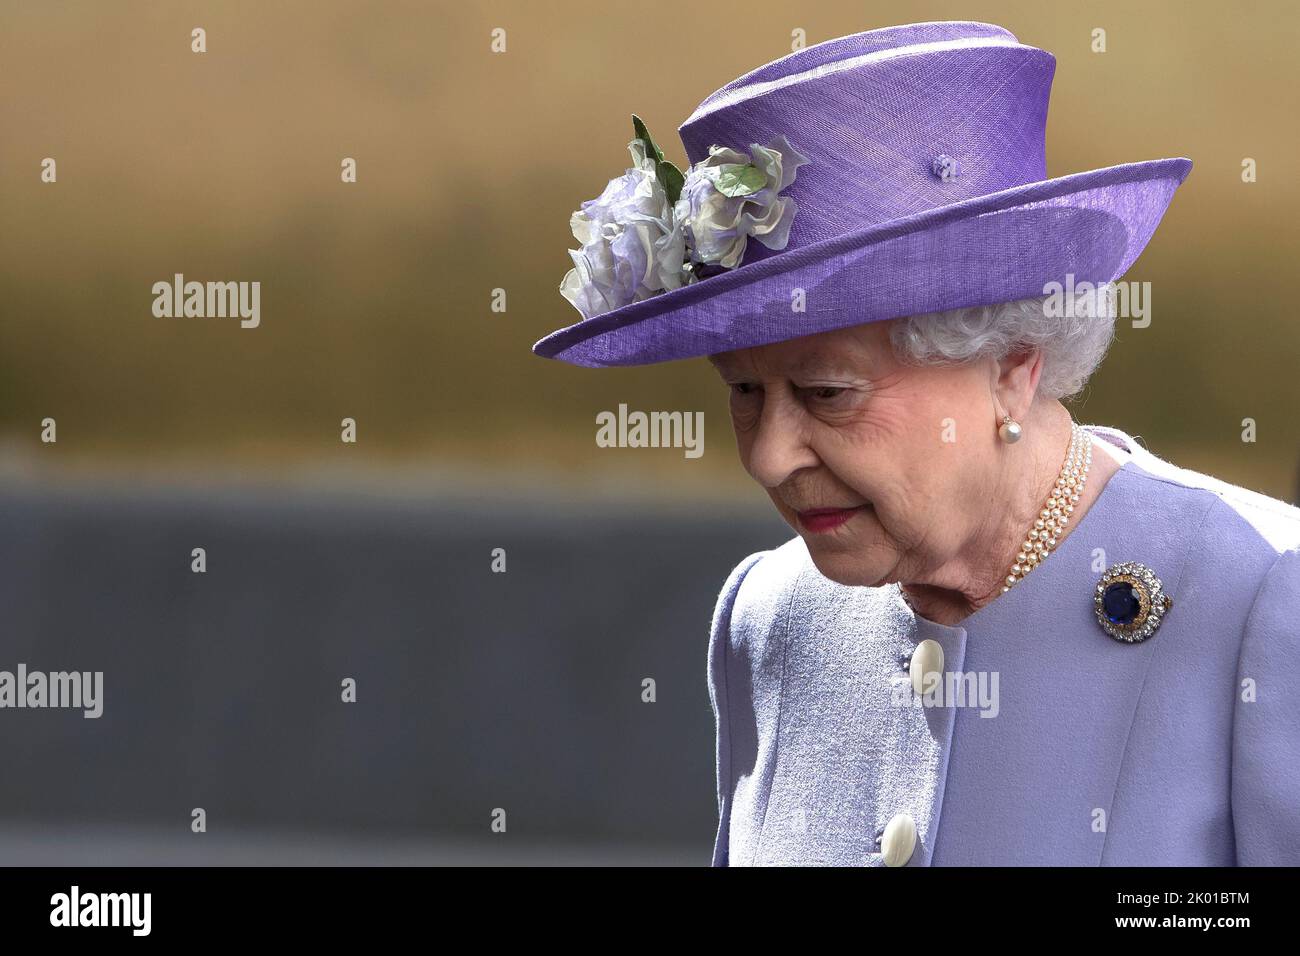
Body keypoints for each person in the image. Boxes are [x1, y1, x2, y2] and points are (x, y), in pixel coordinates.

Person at [532, 21, 1300, 865]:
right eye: (743, 391)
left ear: (1011, 364)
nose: (768, 456)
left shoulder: (1262, 598)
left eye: (828, 394)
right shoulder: (772, 616)